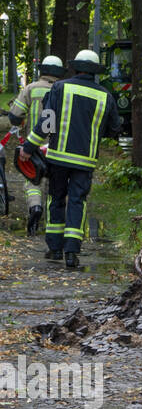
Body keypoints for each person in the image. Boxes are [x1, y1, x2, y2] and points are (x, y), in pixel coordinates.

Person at [24, 49, 121, 269]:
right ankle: (72, 252)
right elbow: (115, 128)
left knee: (56, 199)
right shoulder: (105, 95)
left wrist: (29, 147)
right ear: (95, 71)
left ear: (76, 67)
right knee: (78, 201)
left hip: (58, 158)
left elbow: (47, 124)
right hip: (85, 161)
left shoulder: (60, 87)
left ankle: (55, 248)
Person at [5, 54, 63, 235]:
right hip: (58, 145)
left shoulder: (31, 88)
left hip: (34, 144)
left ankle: (35, 208)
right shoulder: (64, 89)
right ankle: (55, 221)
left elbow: (15, 116)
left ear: (43, 70)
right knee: (56, 181)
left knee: (33, 180)